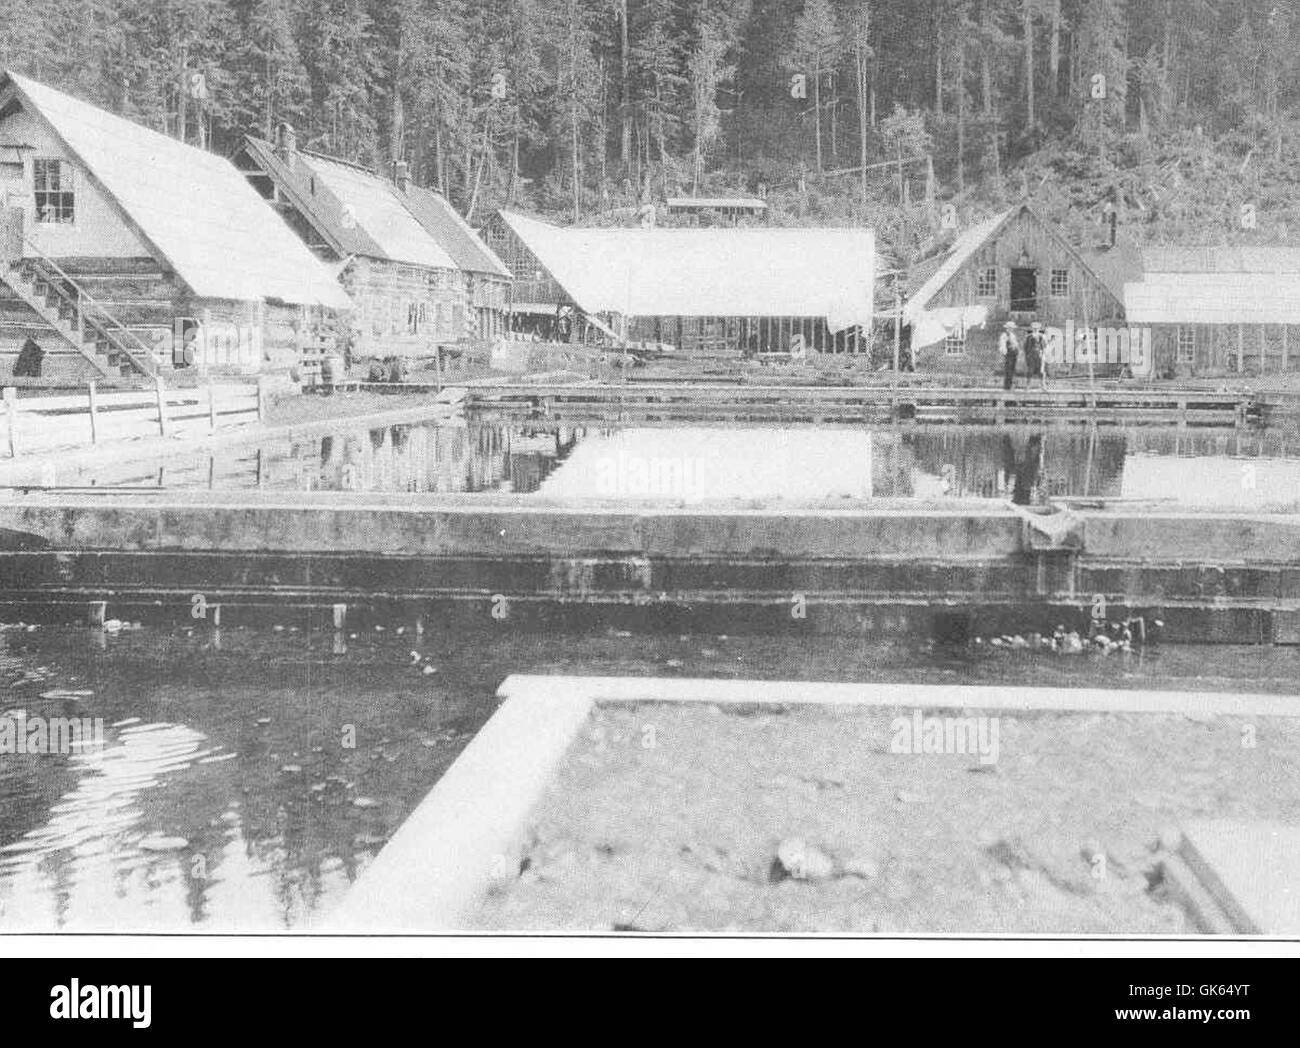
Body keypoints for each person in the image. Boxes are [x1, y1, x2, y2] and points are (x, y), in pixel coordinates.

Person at [1024, 321, 1048, 390]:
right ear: (1032, 328)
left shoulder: (1042, 336)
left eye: (1037, 328)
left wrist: (1043, 355)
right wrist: (1027, 356)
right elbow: (1025, 347)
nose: (1035, 329)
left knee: (1041, 371)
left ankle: (1043, 385)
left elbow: (1044, 346)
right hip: (1031, 356)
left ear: (1039, 328)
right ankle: (1028, 385)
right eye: (1034, 328)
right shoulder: (1028, 337)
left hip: (1040, 356)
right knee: (1030, 371)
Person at [998, 321, 1020, 391]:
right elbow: (1002, 345)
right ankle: (1007, 387)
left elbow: (1015, 344)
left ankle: (1011, 386)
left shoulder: (1013, 335)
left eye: (1012, 328)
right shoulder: (1004, 335)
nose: (1011, 329)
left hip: (1013, 355)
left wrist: (1016, 350)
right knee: (1008, 370)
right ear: (1007, 328)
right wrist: (1005, 352)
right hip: (1009, 355)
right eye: (1010, 328)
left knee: (1012, 370)